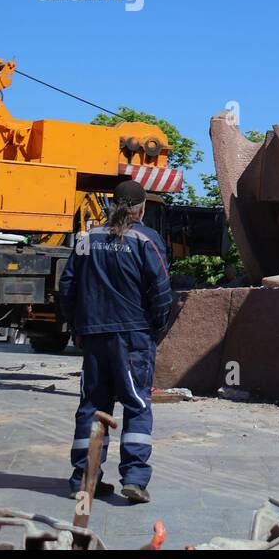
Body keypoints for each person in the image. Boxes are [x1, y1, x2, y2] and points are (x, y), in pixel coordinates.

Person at [59, 179, 171, 505]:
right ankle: (134, 479)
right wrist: (157, 328)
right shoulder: (147, 240)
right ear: (142, 208)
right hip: (134, 336)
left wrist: (77, 326)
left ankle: (86, 479)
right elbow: (161, 291)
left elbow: (67, 286)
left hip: (94, 336)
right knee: (136, 405)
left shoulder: (85, 238)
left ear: (111, 204)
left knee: (93, 407)